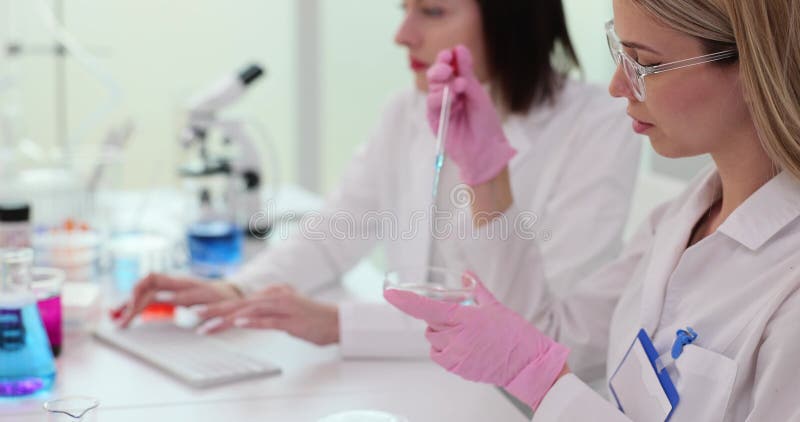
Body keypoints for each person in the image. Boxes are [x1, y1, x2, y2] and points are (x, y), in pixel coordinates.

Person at [114, 0, 641, 358]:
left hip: (518, 402)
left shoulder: (597, 125)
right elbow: (336, 231)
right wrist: (233, 288)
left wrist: (338, 324)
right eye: (404, 8)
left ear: (512, 16)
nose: (403, 34)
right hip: (414, 378)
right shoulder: (408, 110)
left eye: (432, 10)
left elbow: (534, 332)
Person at [385, 0, 800, 419]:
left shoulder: (790, 290)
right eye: (620, 53)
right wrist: (486, 175)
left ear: (754, 66)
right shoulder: (678, 221)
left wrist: (543, 379)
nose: (618, 84)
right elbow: (550, 333)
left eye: (645, 62)